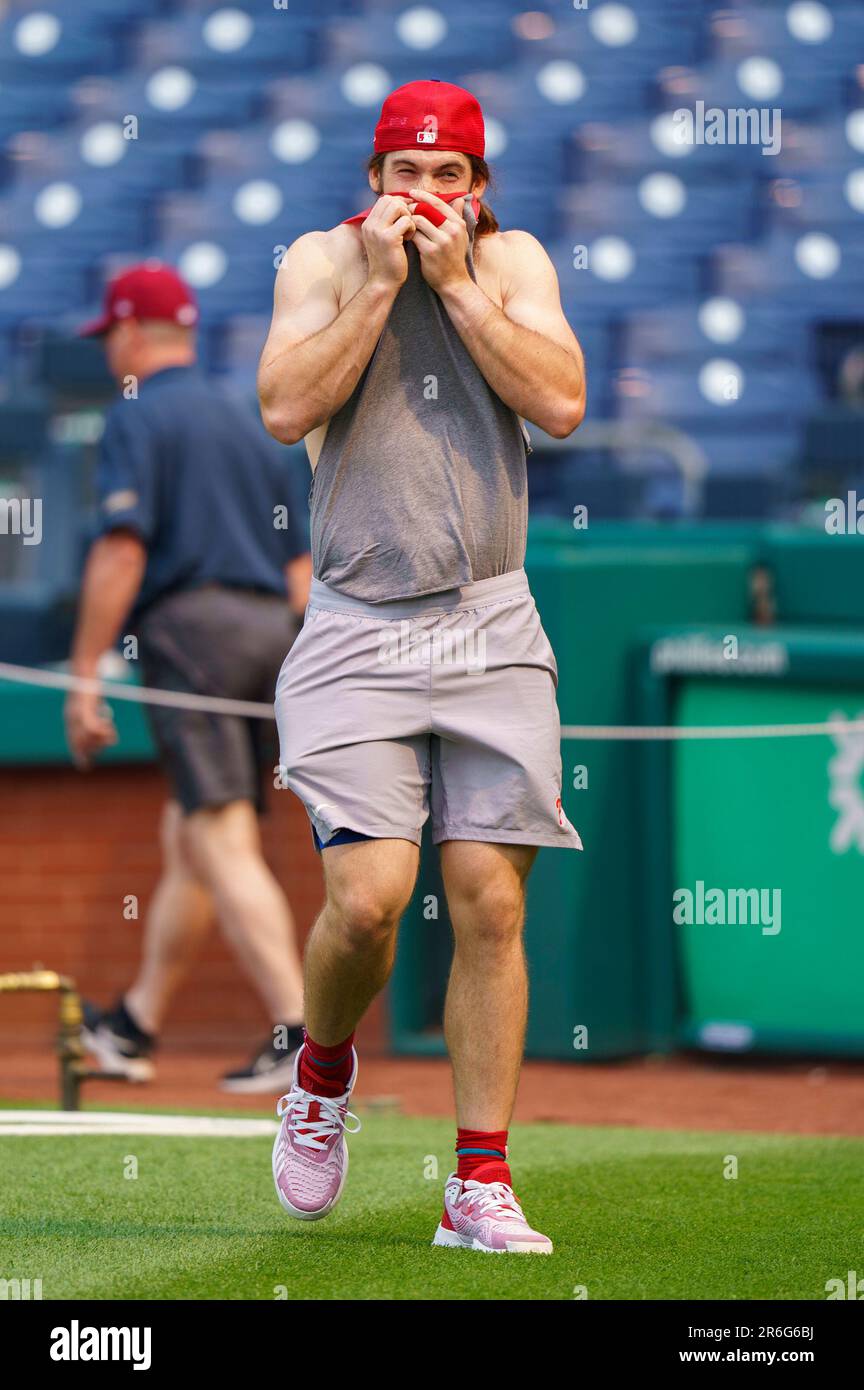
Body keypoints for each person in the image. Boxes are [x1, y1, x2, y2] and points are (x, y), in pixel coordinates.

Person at [259, 80, 585, 1250]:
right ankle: (324, 1074)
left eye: (450, 177)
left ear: (479, 187)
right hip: (357, 620)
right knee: (370, 901)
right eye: (408, 173)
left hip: (493, 618)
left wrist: (452, 289)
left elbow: (561, 400)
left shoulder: (514, 262)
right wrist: (390, 287)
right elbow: (284, 406)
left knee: (492, 901)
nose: (428, 196)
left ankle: (478, 1183)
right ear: (376, 179)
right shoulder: (322, 261)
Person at [65, 261, 309, 1094]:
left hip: (193, 632)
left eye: (111, 337)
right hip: (273, 633)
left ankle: (301, 1034)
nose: (109, 353)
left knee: (217, 832)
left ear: (131, 332)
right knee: (192, 834)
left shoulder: (136, 416)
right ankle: (135, 1025)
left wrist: (83, 678)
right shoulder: (248, 418)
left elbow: (122, 548)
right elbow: (302, 566)